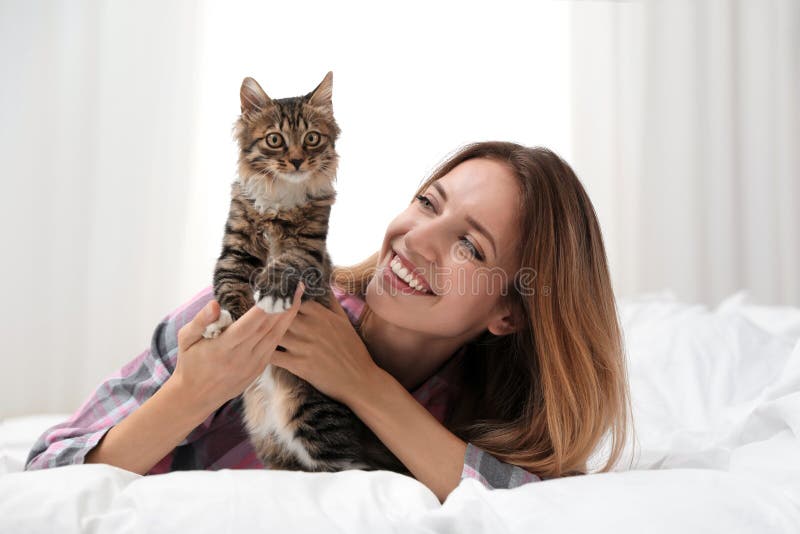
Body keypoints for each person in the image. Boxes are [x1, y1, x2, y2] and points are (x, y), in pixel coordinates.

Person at [25, 141, 634, 503]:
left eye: (469, 246)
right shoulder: (267, 304)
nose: (418, 241)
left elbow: (540, 509)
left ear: (510, 312)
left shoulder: (481, 413)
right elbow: (47, 477)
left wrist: (361, 383)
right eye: (428, 202)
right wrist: (192, 392)